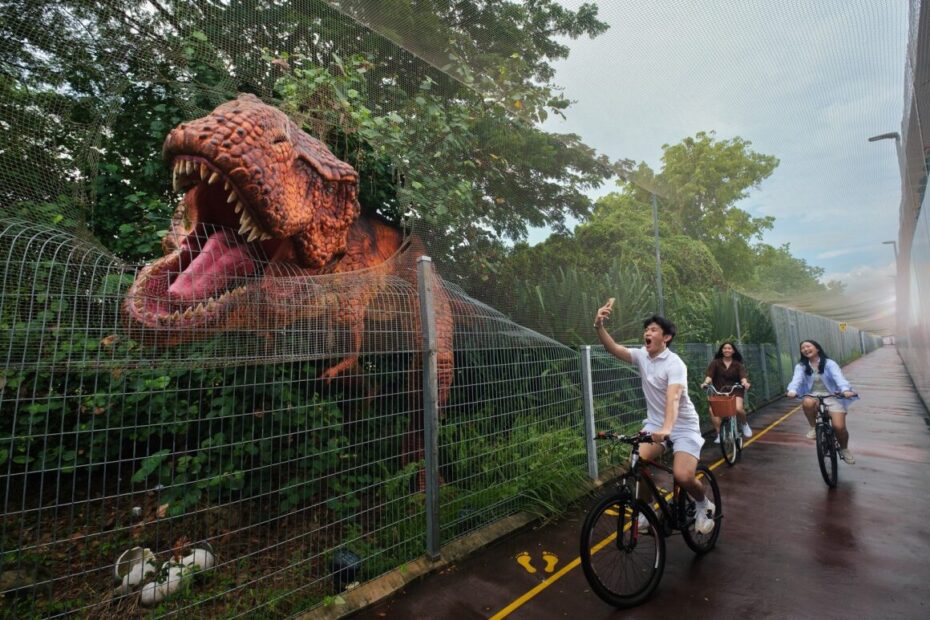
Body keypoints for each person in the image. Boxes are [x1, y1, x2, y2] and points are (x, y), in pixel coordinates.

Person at [594, 300, 715, 535]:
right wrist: (599, 326)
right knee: (637, 462)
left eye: (653, 330)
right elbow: (614, 348)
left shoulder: (675, 364)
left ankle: (703, 504)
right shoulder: (641, 356)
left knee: (682, 475)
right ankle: (647, 510)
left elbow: (674, 398)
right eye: (646, 329)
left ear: (666, 337)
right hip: (655, 424)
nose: (647, 333)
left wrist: (668, 428)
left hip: (683, 426)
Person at [785, 339, 859, 463]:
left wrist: (845, 390)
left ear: (817, 348)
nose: (805, 349)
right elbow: (796, 380)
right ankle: (814, 427)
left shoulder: (829, 363)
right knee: (807, 401)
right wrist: (792, 390)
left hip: (833, 396)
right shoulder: (801, 366)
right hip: (813, 395)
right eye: (802, 348)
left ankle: (844, 449)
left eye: (808, 346)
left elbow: (839, 377)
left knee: (839, 427)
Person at [699, 342, 752, 443]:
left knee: (738, 408)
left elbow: (743, 377)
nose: (727, 350)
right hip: (720, 391)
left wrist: (745, 383)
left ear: (733, 351)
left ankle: (744, 424)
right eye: (725, 348)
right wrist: (705, 383)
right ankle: (719, 434)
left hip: (735, 390)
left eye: (729, 348)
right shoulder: (715, 363)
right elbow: (709, 376)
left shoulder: (738, 364)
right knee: (712, 411)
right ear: (721, 350)